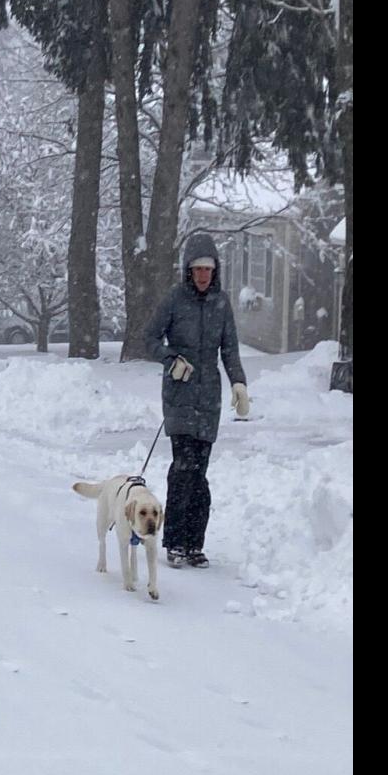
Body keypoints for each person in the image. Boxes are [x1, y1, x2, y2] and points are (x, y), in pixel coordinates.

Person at [144, 232, 250, 568]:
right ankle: (174, 541)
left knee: (199, 474)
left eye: (208, 269)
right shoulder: (175, 299)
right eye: (197, 269)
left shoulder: (222, 303)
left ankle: (194, 544)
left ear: (214, 271)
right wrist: (171, 359)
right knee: (183, 469)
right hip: (179, 395)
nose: (203, 275)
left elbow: (230, 348)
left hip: (208, 401)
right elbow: (149, 338)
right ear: (188, 271)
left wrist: (239, 383)